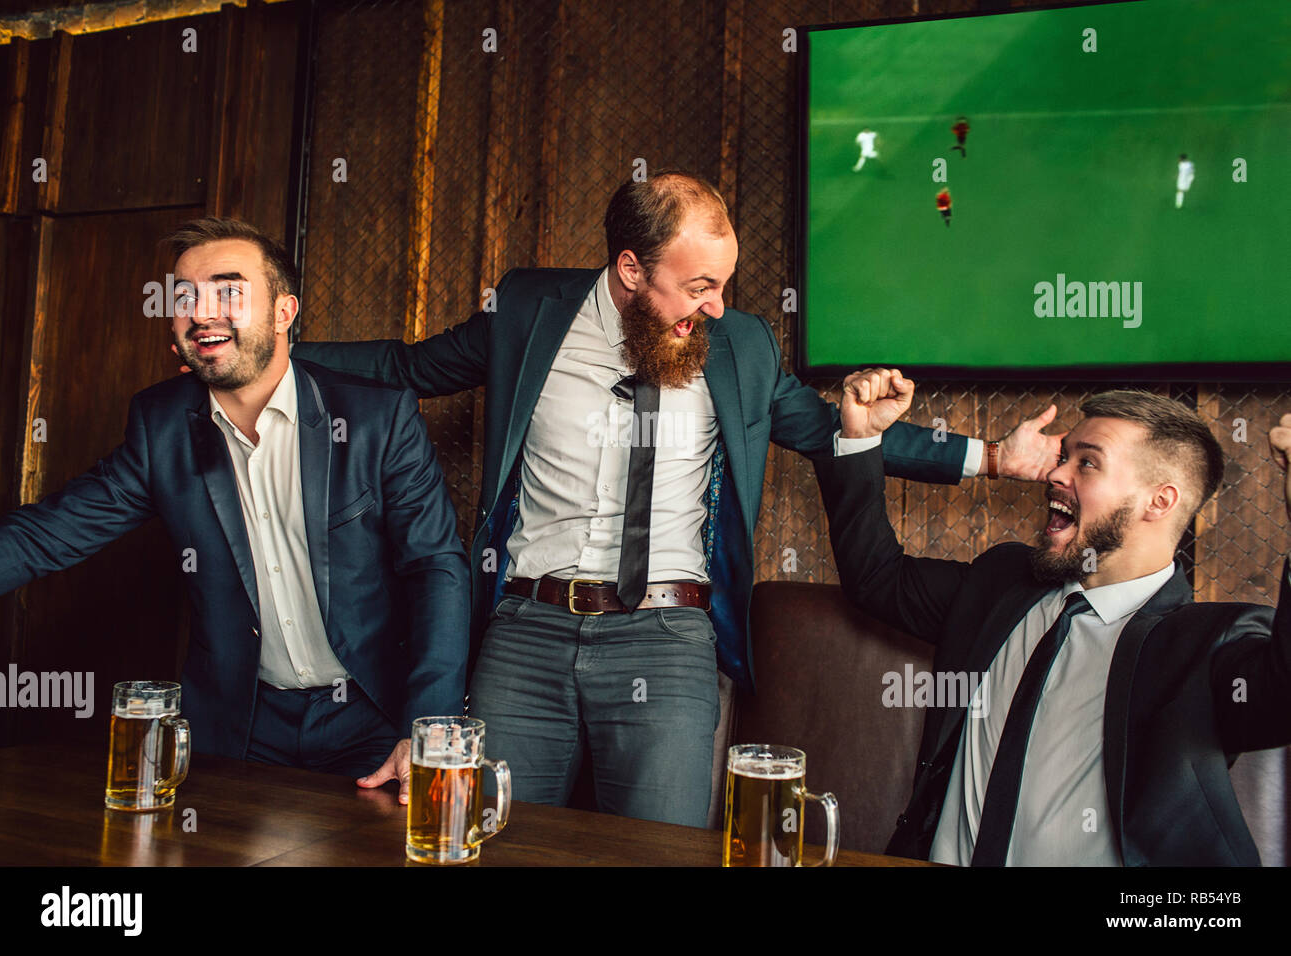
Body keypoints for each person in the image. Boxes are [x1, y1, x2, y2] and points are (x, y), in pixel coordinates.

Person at [293, 171, 1060, 827]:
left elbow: (838, 429)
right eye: (700, 286)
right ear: (631, 269)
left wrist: (989, 456)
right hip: (523, 634)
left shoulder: (740, 346)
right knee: (495, 840)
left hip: (665, 640)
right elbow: (405, 366)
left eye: (725, 283)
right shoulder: (528, 312)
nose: (719, 305)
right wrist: (272, 353)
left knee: (664, 853)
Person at [0, 218, 468, 802]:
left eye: (229, 292)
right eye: (185, 297)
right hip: (239, 728)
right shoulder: (160, 425)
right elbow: (46, 535)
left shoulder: (376, 419)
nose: (203, 311)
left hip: (372, 722)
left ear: (284, 312)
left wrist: (429, 731)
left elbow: (437, 569)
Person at [815, 368, 1291, 865]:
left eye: (1088, 464)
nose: (1056, 474)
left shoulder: (1206, 647)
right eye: (1065, 457)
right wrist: (861, 438)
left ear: (1160, 500)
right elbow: (876, 578)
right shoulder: (1002, 581)